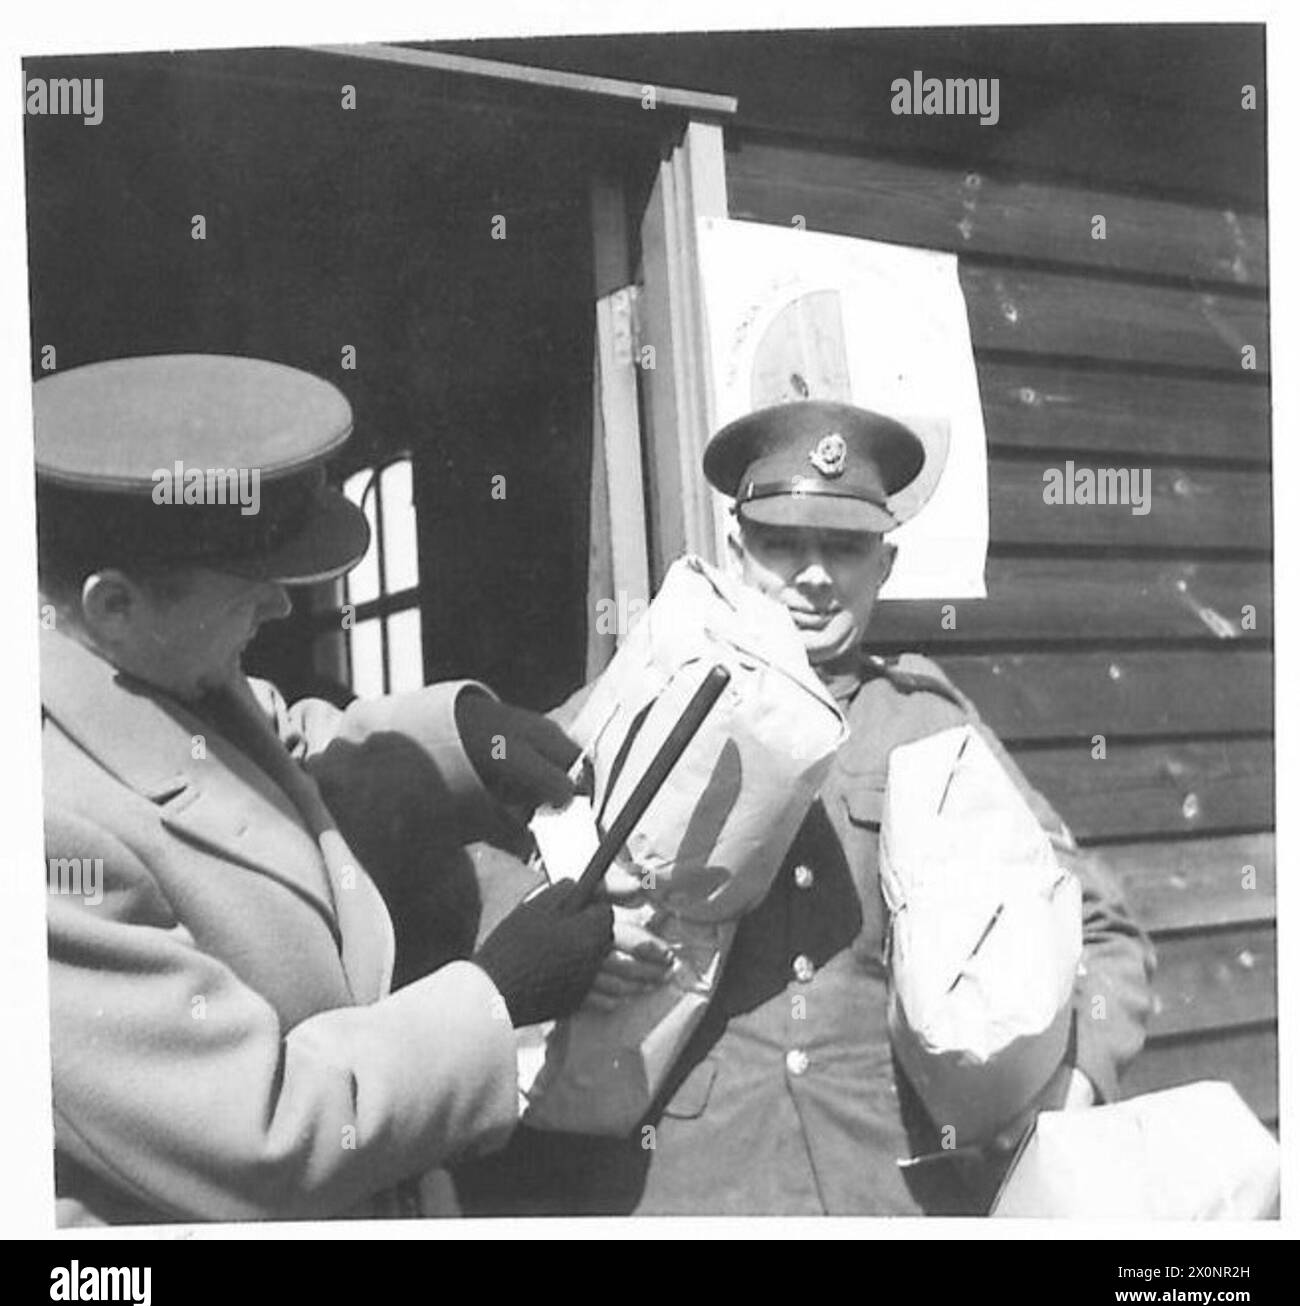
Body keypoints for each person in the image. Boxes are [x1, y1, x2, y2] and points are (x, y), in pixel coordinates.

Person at [456, 398, 1156, 1216]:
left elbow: (1100, 929)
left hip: (883, 1185)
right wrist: (564, 944)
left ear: (884, 565)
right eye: (783, 544)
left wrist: (1072, 1085)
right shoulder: (644, 695)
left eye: (845, 548)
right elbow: (483, 863)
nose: (814, 575)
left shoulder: (928, 723)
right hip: (687, 1185)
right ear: (736, 551)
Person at [36, 353, 613, 1225]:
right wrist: (494, 1000)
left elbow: (277, 754)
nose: (280, 615)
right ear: (113, 605)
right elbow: (254, 1132)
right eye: (254, 593)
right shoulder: (45, 831)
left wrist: (458, 741)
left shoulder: (151, 667)